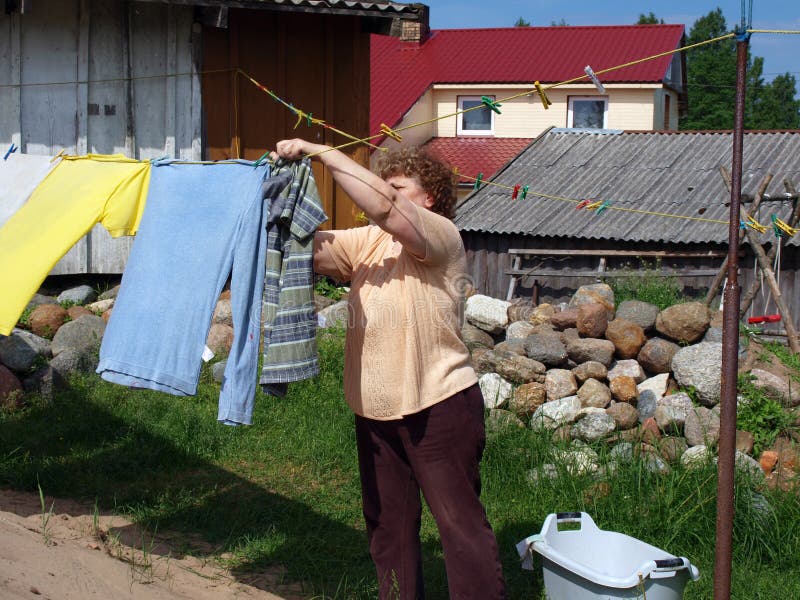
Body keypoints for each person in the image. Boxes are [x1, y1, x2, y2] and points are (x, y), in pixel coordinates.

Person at [272, 139, 506, 600]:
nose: (384, 190)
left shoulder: (440, 236)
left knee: (459, 527)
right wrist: (276, 197)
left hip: (438, 404)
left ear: (428, 197)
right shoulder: (371, 242)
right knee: (388, 530)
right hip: (375, 409)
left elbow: (385, 207)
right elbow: (308, 249)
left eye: (396, 185)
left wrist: (319, 150)